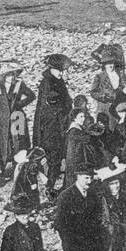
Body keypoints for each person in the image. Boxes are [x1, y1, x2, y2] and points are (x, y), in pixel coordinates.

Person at [33, 54, 73, 195]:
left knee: (55, 157)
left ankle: (51, 183)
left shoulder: (56, 80)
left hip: (57, 124)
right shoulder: (48, 83)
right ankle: (49, 187)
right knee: (53, 157)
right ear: (52, 69)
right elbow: (53, 106)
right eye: (59, 70)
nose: (62, 73)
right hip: (51, 126)